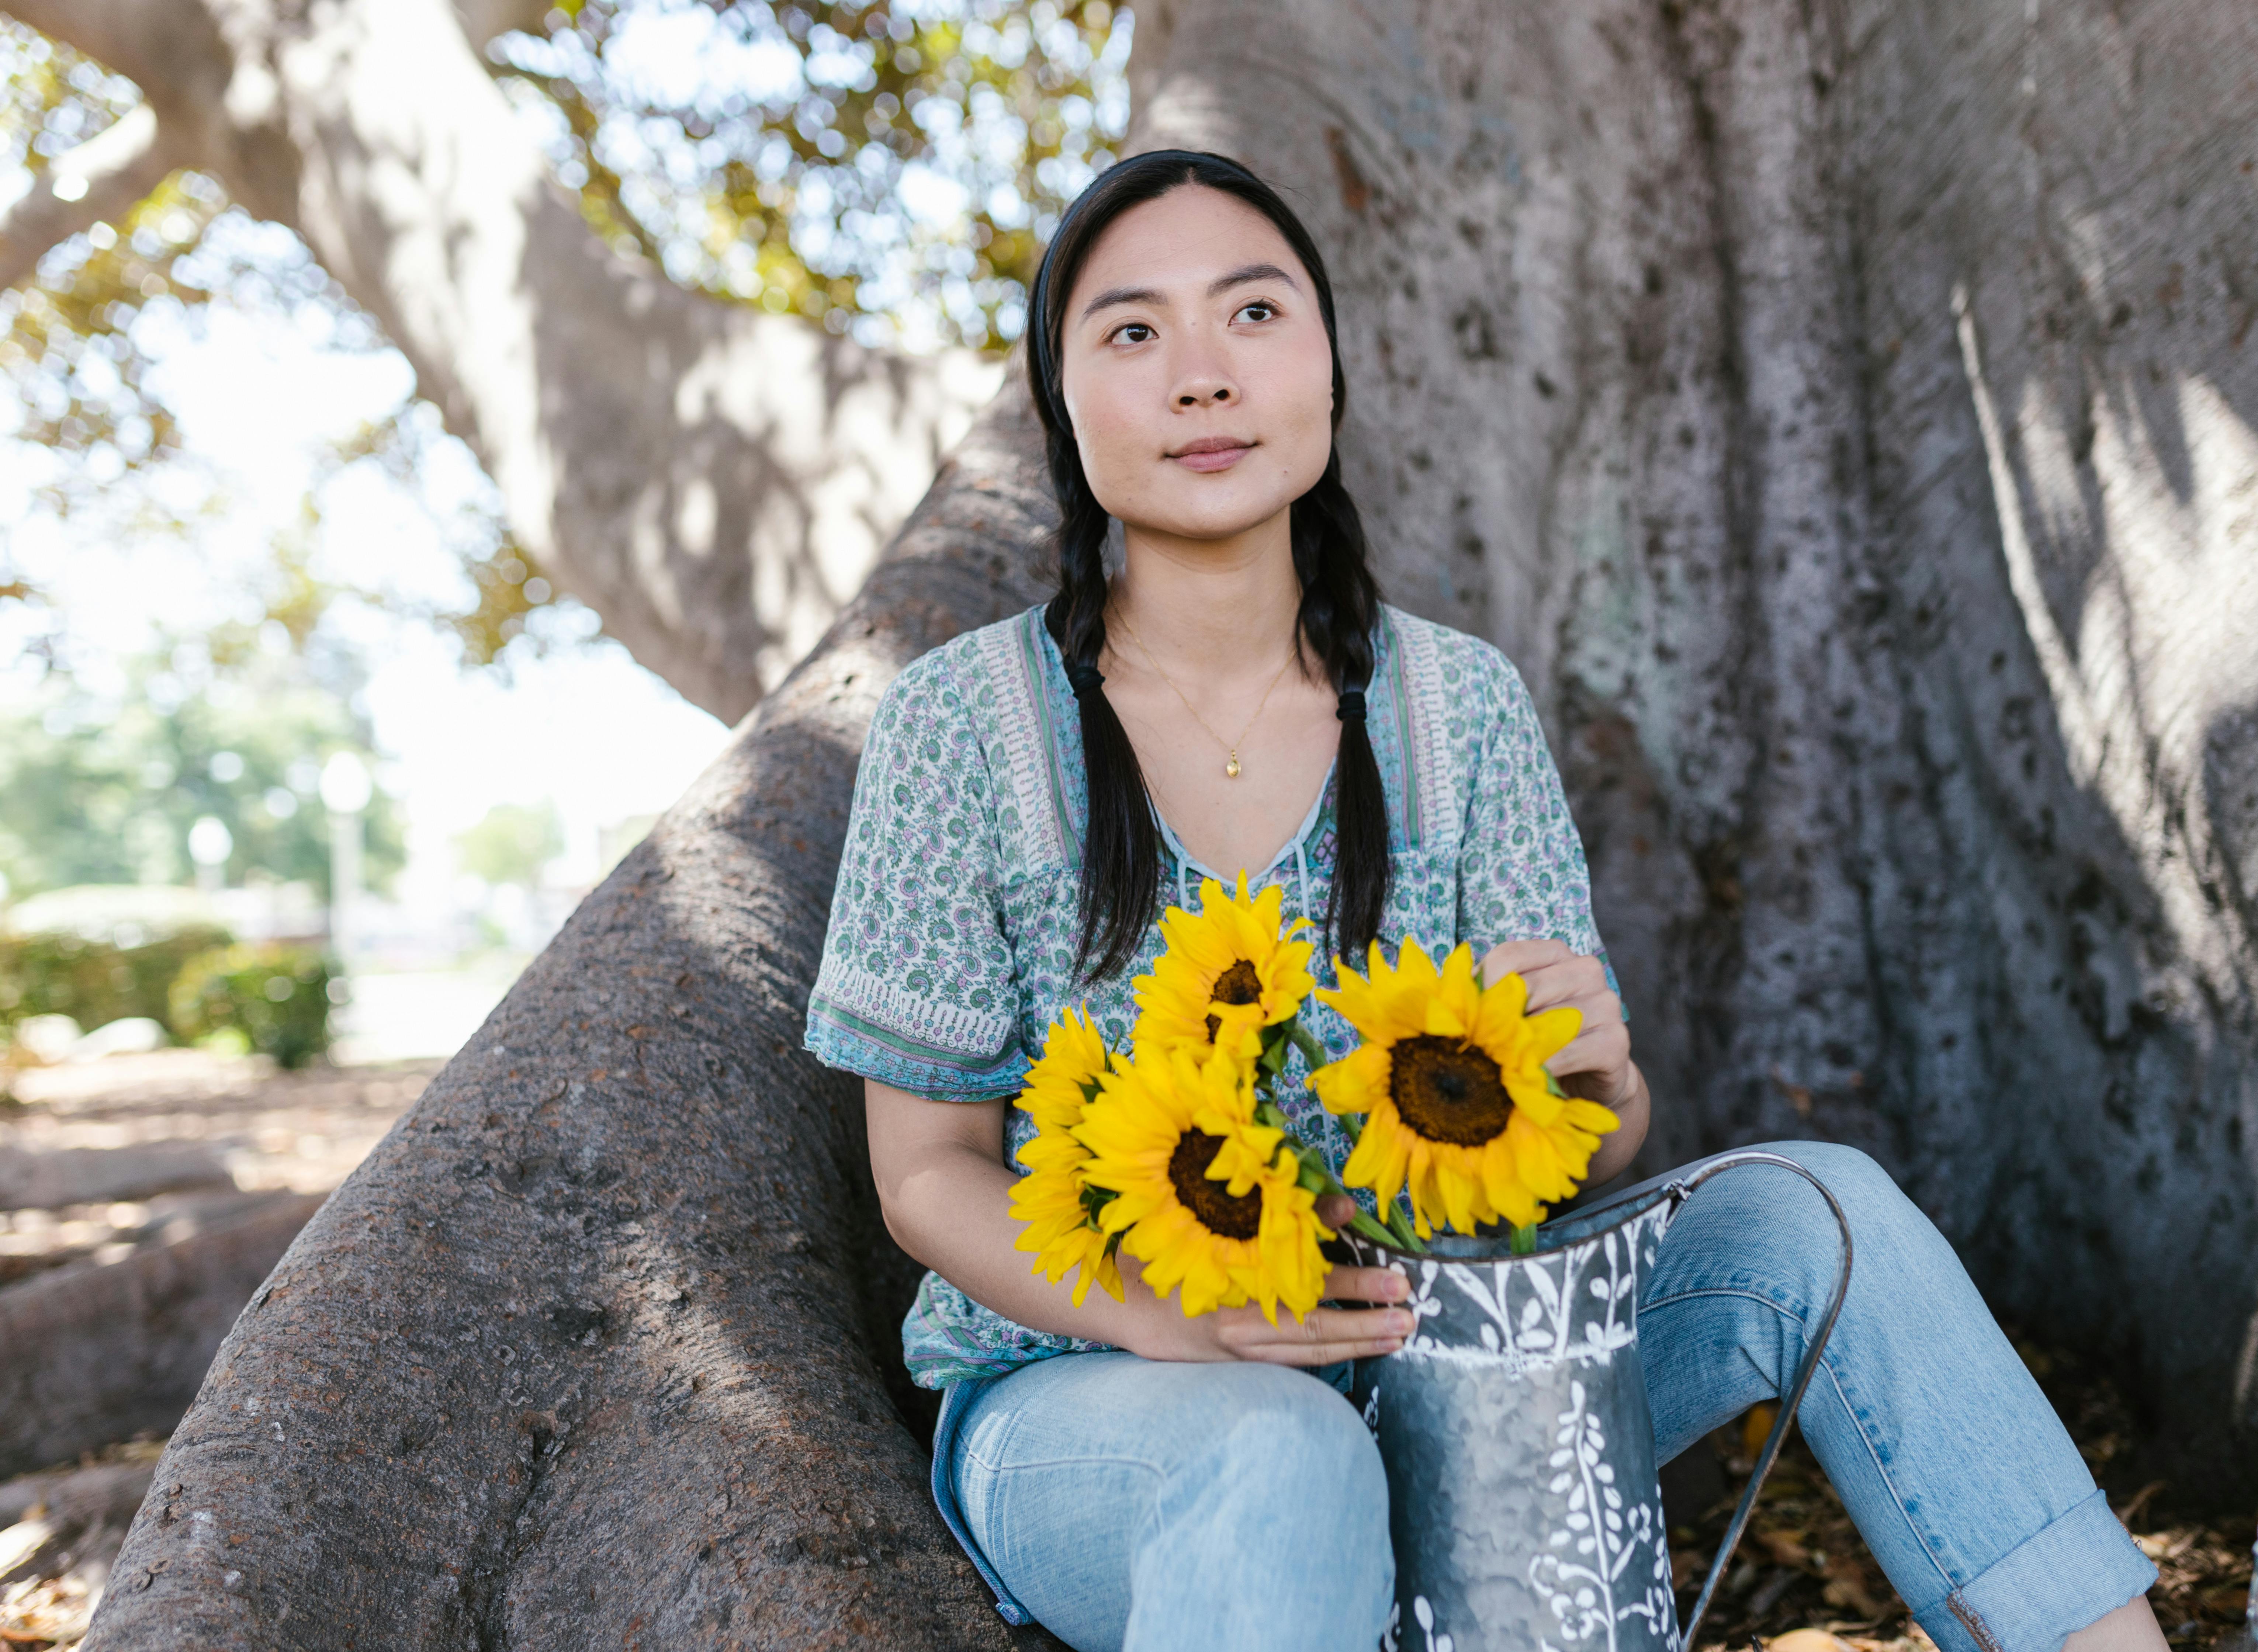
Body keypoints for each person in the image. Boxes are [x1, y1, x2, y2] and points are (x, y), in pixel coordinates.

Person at [809, 148, 2169, 1652]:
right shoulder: (966, 724)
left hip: (1458, 1349)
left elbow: (1566, 1153)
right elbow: (924, 1171)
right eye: (1132, 332)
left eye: (1253, 313)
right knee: (1281, 1443)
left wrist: (1602, 1083)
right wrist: (1160, 1313)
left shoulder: (1457, 706)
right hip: (1100, 1402)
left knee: (1823, 1221)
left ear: (1328, 361)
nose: (1202, 374)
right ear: (1065, 410)